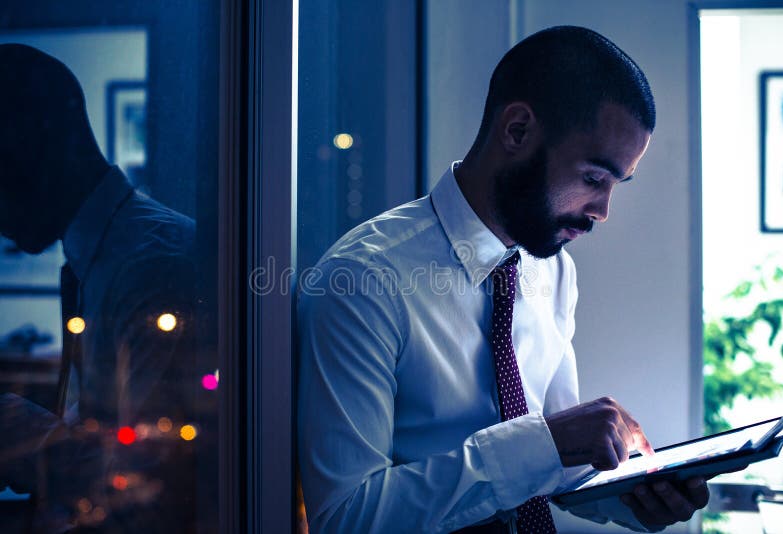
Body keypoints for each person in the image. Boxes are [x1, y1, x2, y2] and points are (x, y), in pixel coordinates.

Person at [298, 26, 713, 532]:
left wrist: (632, 495)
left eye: (615, 184)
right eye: (592, 178)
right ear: (516, 131)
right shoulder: (364, 280)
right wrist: (542, 444)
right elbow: (346, 518)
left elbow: (558, 467)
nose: (602, 211)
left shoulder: (553, 268)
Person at [0, 44, 201, 532]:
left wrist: (11, 427)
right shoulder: (113, 257)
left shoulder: (150, 271)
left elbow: (146, 482)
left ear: (32, 152)